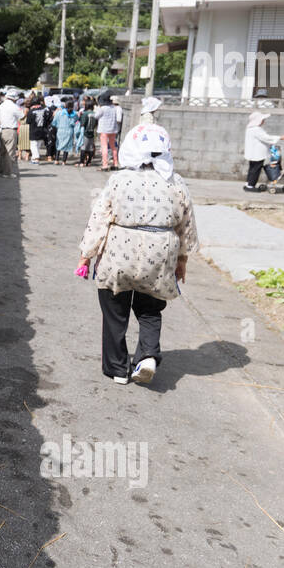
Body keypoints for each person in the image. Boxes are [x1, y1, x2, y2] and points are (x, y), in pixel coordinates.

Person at [77, 123, 199, 385]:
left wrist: (86, 255)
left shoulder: (119, 180)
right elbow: (186, 226)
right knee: (150, 308)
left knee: (114, 309)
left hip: (120, 251)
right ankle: (147, 356)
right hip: (160, 251)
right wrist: (182, 260)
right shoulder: (176, 183)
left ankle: (118, 369)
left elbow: (99, 219)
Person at [244, 112, 279, 192]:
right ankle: (250, 186)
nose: (263, 121)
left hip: (253, 153)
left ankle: (248, 184)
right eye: (262, 119)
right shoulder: (256, 129)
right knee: (256, 169)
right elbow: (266, 138)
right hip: (257, 153)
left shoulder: (251, 128)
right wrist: (280, 137)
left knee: (252, 168)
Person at [0, 88, 20, 177]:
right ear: (14, 98)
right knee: (10, 152)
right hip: (10, 130)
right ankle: (7, 172)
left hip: (2, 129)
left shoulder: (1, 106)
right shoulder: (14, 107)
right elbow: (22, 116)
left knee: (1, 151)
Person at [97, 93, 120, 170]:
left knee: (104, 147)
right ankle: (115, 163)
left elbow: (96, 116)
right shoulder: (114, 107)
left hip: (104, 129)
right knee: (113, 147)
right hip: (113, 129)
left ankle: (105, 165)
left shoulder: (102, 108)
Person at [52, 100, 75, 164]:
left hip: (60, 130)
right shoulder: (74, 114)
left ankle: (56, 160)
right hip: (69, 131)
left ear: (65, 105)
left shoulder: (59, 113)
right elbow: (75, 122)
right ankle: (64, 161)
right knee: (67, 146)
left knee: (58, 144)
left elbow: (54, 122)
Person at [77, 97, 98, 166]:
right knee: (91, 148)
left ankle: (81, 162)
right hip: (92, 132)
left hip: (85, 132)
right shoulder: (95, 113)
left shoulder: (85, 114)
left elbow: (82, 124)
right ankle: (89, 162)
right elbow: (96, 123)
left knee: (84, 147)